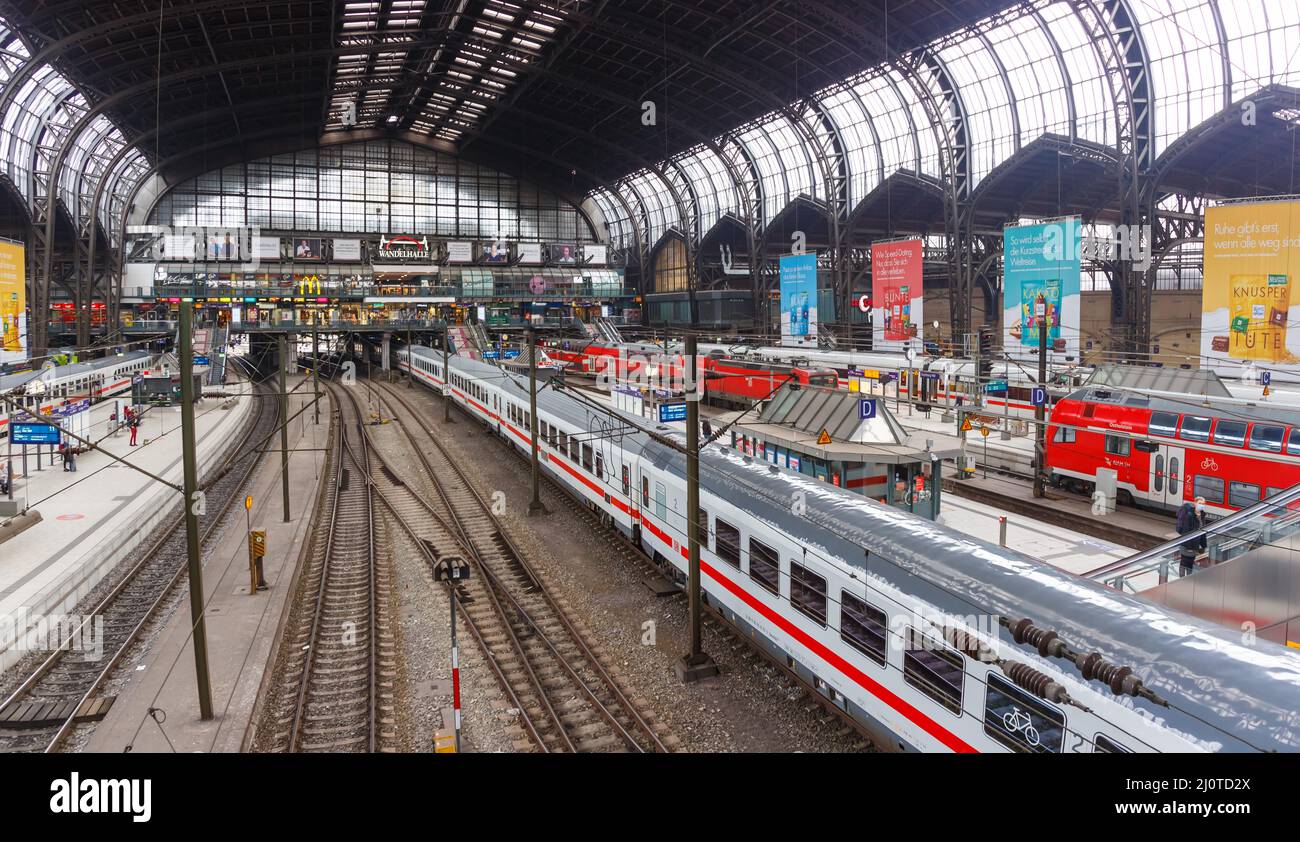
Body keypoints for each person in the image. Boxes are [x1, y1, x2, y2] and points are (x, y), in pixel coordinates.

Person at [1175, 496, 1207, 577]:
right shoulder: (1189, 514)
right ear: (1195, 503)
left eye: (1203, 504)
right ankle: (1182, 580)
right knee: (1184, 563)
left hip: (1194, 545)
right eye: (1200, 503)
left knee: (1190, 564)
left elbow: (1202, 532)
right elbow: (1185, 531)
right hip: (1187, 544)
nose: (1202, 505)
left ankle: (1188, 580)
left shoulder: (1202, 515)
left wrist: (1203, 546)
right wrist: (1190, 547)